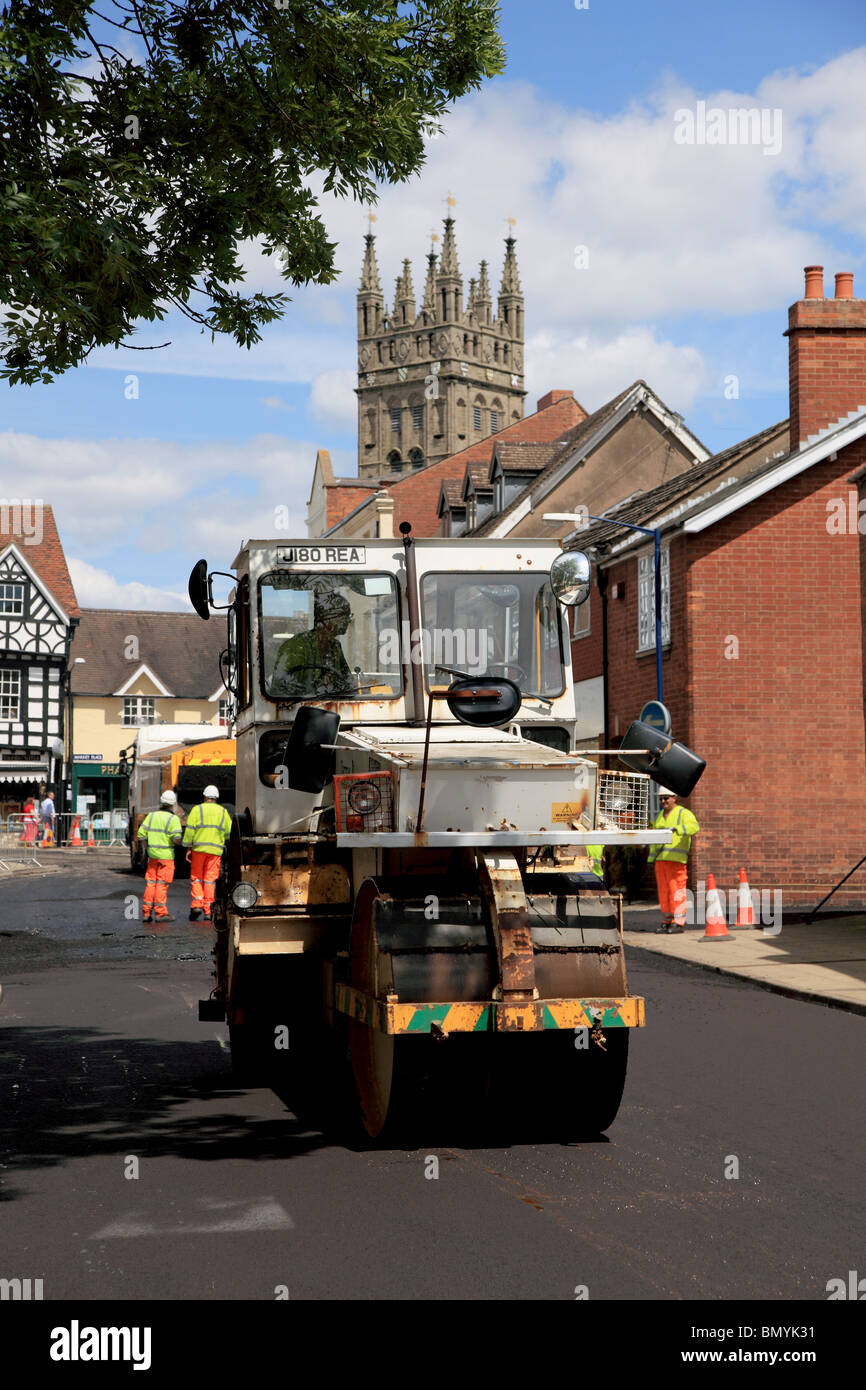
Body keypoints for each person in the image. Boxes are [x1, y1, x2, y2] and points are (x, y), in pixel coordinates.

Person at [272, 591, 354, 695]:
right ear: (329, 618)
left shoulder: (335, 646)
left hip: (330, 705)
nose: (349, 620)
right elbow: (282, 691)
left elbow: (348, 681)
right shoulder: (297, 646)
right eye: (346, 616)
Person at [648, 787, 700, 933]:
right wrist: (651, 858)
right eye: (661, 798)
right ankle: (667, 920)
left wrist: (678, 828)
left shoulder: (684, 813)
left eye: (666, 798)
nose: (663, 801)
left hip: (676, 860)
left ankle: (678, 921)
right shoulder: (659, 816)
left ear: (674, 797)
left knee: (677, 891)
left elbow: (694, 827)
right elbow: (655, 840)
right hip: (661, 860)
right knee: (664, 892)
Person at [183, 784, 232, 922]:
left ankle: (197, 905)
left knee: (197, 877)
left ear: (205, 796)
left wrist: (188, 848)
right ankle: (208, 909)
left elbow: (190, 830)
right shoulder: (223, 811)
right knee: (210, 880)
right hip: (215, 850)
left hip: (198, 849)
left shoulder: (197, 810)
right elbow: (228, 833)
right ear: (216, 797)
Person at [137, 789, 182, 922]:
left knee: (151, 883)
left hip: (153, 856)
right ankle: (161, 913)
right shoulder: (173, 819)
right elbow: (176, 839)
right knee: (161, 884)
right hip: (166, 857)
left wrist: (148, 848)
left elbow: (140, 835)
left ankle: (146, 913)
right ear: (173, 804)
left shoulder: (151, 816)